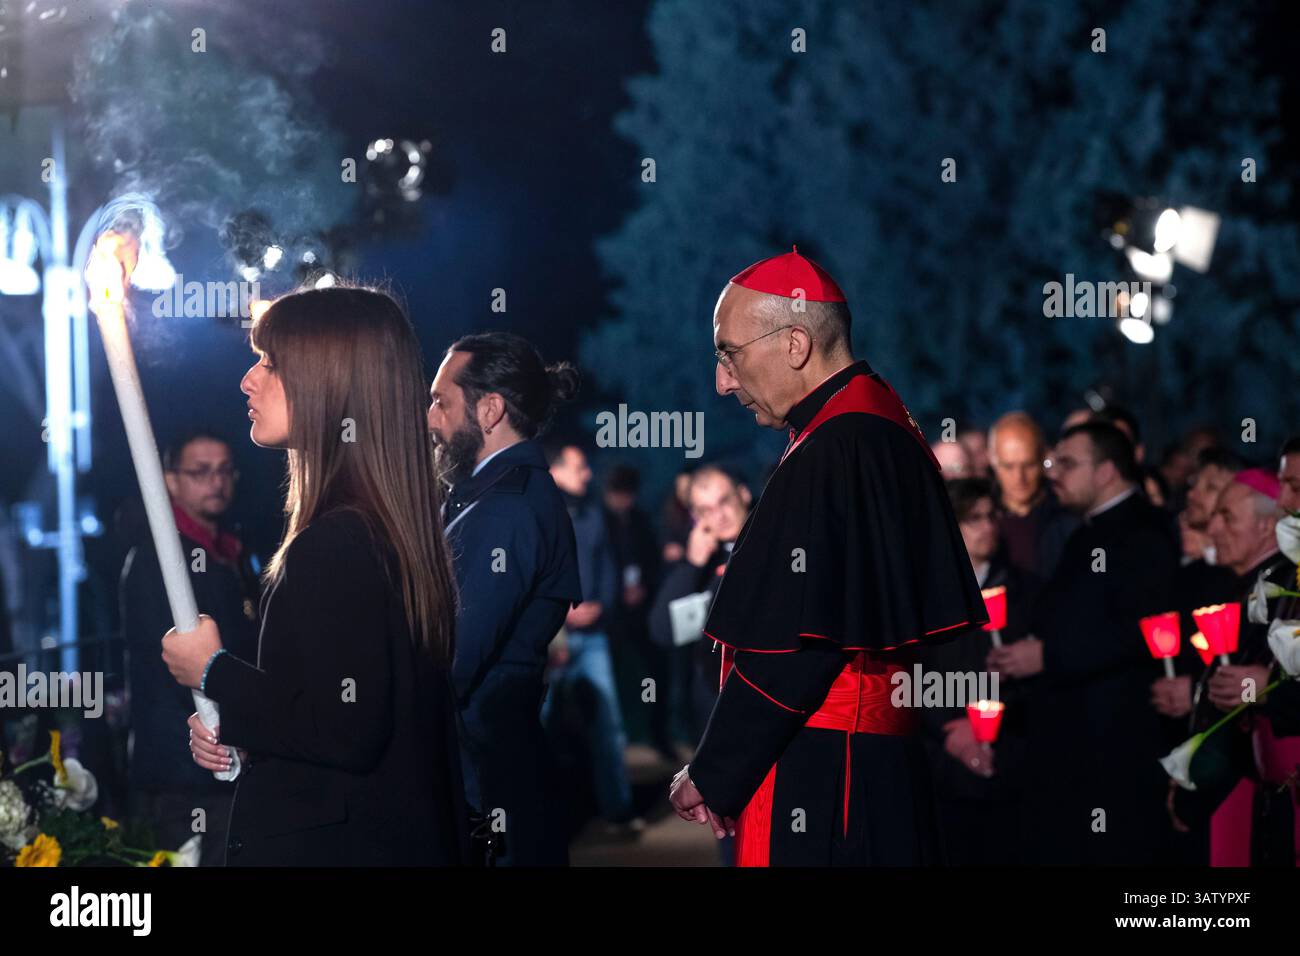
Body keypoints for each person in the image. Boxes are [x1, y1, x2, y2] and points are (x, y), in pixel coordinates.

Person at [668, 247, 987, 866]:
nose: (722, 382)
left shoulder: (836, 447)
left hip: (827, 773)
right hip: (871, 765)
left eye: (728, 354)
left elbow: (791, 655)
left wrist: (712, 771)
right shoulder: (875, 423)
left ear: (794, 344)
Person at [162, 286, 468, 866]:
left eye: (270, 364)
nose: (249, 380)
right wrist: (244, 733)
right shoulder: (382, 530)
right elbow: (336, 710)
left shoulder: (337, 543)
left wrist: (213, 670)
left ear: (328, 382)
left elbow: (346, 727)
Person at [991, 421, 1179, 864]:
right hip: (1075, 744)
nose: (1053, 473)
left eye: (1068, 464)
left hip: (1113, 748)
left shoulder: (1142, 532)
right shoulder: (1086, 532)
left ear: (1107, 471)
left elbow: (1145, 630)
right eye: (1054, 461)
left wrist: (1049, 655)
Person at [428, 331, 582, 866]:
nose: (431, 418)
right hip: (489, 773)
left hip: (487, 783)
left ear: (489, 409)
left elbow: (450, 661)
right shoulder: (488, 498)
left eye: (441, 401)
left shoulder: (506, 510)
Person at [120, 427, 259, 866]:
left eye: (223, 471)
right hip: (187, 770)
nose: (215, 482)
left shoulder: (231, 550)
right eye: (199, 472)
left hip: (225, 757)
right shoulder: (157, 559)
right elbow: (171, 666)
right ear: (170, 480)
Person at [1171, 467, 1298, 865]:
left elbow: (1247, 695)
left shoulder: (1279, 586)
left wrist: (1194, 788)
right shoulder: (1241, 585)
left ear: (1265, 527)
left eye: (1228, 517)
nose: (1213, 527)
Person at [920, 477, 1038, 865]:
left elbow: (1038, 678)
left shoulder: (1024, 591)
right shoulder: (924, 598)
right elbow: (907, 675)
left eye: (991, 516)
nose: (987, 527)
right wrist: (950, 729)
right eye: (974, 519)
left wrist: (992, 718)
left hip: (1013, 761)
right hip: (942, 766)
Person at [545, 443, 639, 831]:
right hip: (551, 642)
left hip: (594, 636)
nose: (587, 474)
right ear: (555, 472)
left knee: (608, 725)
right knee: (540, 726)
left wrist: (600, 605)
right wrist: (559, 618)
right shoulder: (539, 513)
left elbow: (608, 568)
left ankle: (617, 810)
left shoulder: (593, 514)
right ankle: (548, 816)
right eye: (579, 467)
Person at [649, 465, 752, 746]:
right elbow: (662, 631)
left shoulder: (773, 541)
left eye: (724, 501)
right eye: (706, 510)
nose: (719, 516)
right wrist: (692, 566)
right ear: (695, 517)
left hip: (764, 703)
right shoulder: (702, 564)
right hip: (713, 710)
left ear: (742, 494)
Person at [988, 412, 1078, 580]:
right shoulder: (981, 518)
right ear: (993, 460)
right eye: (1008, 466)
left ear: (1043, 459)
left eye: (1028, 465)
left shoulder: (1070, 517)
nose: (1019, 477)